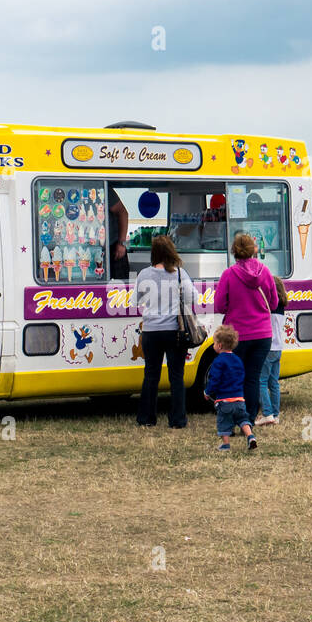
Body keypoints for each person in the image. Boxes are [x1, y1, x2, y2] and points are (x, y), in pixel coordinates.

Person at [213, 232, 278, 429]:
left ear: (234, 251)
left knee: (235, 377)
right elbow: (274, 303)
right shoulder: (265, 271)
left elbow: (219, 305)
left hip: (237, 335)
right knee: (253, 377)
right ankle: (248, 419)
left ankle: (234, 418)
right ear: (253, 250)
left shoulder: (229, 274)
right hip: (263, 334)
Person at [135, 234, 192, 429]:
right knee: (176, 375)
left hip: (151, 331)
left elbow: (137, 300)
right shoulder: (179, 274)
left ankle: (147, 418)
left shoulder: (144, 274)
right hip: (174, 331)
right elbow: (192, 297)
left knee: (151, 375)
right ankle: (177, 419)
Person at [203, 325, 256, 451]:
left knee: (224, 422)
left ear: (220, 345)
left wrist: (207, 391)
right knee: (243, 419)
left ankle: (226, 444)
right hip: (239, 399)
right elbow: (242, 375)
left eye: (214, 343)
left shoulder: (218, 361)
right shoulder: (238, 360)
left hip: (224, 400)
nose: (213, 345)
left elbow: (214, 379)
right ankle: (250, 436)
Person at [258, 275, 288, 425]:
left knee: (261, 381)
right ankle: (275, 415)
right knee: (274, 382)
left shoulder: (269, 307)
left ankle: (267, 413)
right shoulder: (282, 307)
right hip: (278, 347)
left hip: (268, 347)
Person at [107, 189, 130, 280]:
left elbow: (123, 212)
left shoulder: (105, 190)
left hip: (113, 246)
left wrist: (121, 244)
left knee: (120, 286)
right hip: (95, 248)